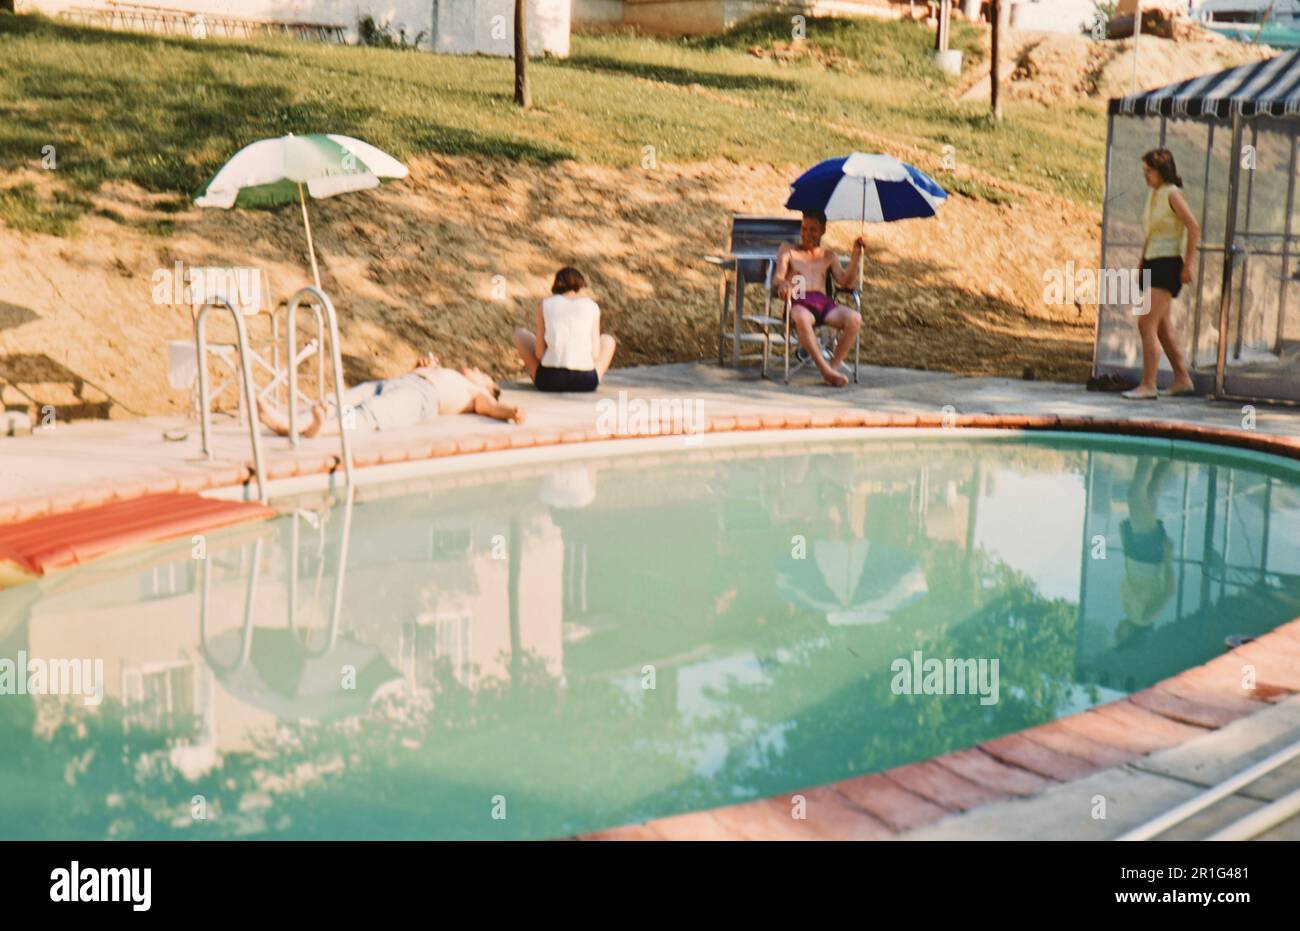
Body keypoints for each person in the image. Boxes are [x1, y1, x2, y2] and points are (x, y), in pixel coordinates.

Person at [258, 352, 523, 437]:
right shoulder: (452, 374)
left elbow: (490, 408)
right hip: (399, 382)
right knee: (340, 399)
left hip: (422, 398)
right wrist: (421, 366)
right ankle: (290, 423)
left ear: (490, 386)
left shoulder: (477, 392)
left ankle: (318, 428)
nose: (477, 368)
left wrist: (511, 411)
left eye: (483, 373)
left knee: (371, 413)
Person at [1123, 148, 1200, 400]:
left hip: (1169, 265)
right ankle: (1181, 378)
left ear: (1162, 171)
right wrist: (1141, 263)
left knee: (1146, 322)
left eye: (1149, 170)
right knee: (1163, 327)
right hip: (1153, 262)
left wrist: (1187, 265)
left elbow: (1193, 227)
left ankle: (1148, 384)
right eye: (1144, 170)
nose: (1145, 175)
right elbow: (1151, 234)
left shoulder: (1172, 194)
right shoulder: (1154, 195)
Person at [771, 210, 866, 388]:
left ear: (823, 230)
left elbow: (845, 282)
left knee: (855, 318)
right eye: (804, 228)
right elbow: (778, 277)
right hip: (799, 301)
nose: (807, 234)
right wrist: (783, 284)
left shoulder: (828, 256)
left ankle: (833, 368)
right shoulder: (788, 250)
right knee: (800, 316)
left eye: (813, 230)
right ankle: (825, 370)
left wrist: (855, 255)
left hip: (824, 304)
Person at [513, 266, 616, 392]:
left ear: (557, 284)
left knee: (520, 335)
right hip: (585, 381)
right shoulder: (592, 306)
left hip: (550, 380)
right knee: (608, 340)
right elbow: (594, 355)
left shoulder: (545, 305)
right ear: (580, 284)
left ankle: (536, 377)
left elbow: (539, 354)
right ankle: (592, 378)